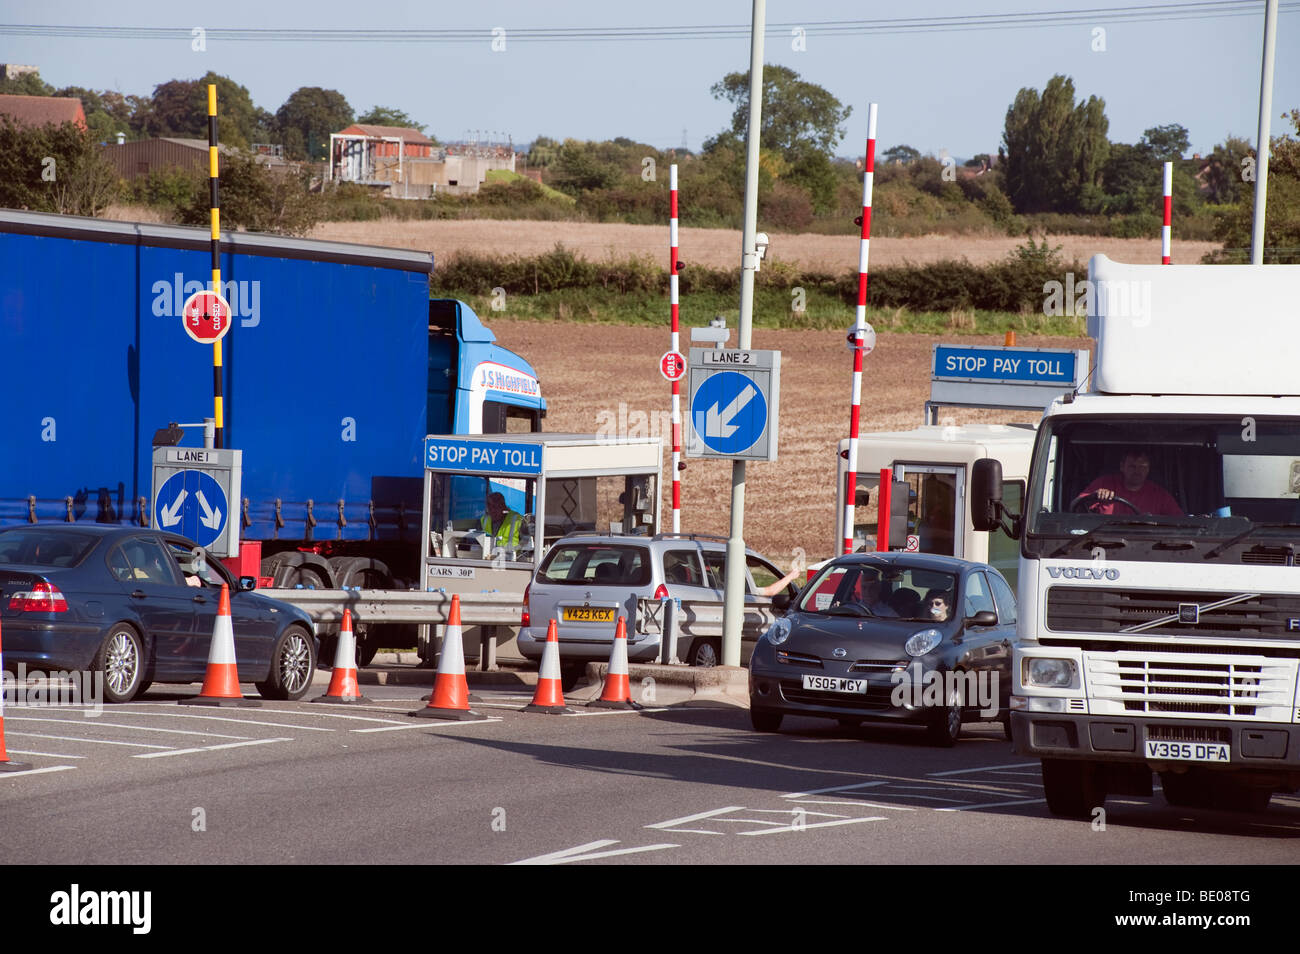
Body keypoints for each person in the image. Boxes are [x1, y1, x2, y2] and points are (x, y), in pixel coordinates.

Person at [1076, 449, 1183, 516]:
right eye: (1132, 466)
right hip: (1105, 542)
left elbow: (1179, 522)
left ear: (1149, 469)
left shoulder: (1160, 495)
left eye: (1142, 467)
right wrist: (1095, 496)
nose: (1137, 471)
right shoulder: (1103, 483)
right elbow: (1077, 507)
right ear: (1122, 467)